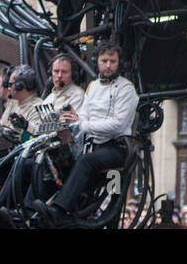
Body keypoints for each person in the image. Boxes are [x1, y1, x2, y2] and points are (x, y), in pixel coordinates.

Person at [46, 40, 139, 225]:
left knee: (86, 161)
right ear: (97, 61)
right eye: (104, 60)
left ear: (119, 62)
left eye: (112, 61)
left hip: (117, 148)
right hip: (93, 145)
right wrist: (78, 121)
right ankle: (44, 208)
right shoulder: (93, 86)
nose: (108, 65)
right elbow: (83, 116)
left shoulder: (126, 88)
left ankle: (59, 210)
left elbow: (118, 125)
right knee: (60, 159)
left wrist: (85, 125)